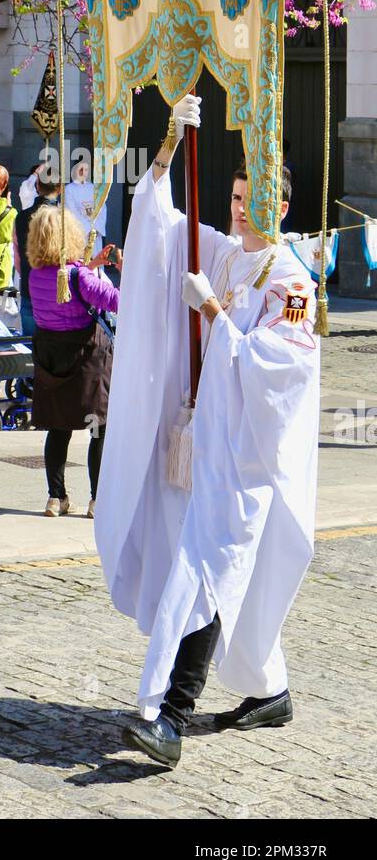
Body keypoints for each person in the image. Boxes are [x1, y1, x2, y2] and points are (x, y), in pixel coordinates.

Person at [95, 96, 320, 769]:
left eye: (252, 200)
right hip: (202, 443)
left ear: (280, 208)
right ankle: (270, 690)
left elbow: (287, 364)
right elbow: (161, 229)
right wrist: (169, 142)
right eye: (233, 195)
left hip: (248, 459)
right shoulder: (223, 253)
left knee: (211, 573)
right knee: (210, 575)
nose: (238, 208)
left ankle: (171, 716)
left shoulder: (294, 281)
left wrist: (218, 313)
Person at [28, 204, 121, 520]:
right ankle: (98, 500)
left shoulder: (36, 275)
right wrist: (119, 270)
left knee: (58, 428)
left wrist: (88, 266)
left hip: (51, 359)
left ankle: (56, 498)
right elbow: (119, 301)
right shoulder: (79, 277)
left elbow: (63, 282)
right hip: (86, 361)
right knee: (98, 430)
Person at [14, 171, 61, 336]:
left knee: (30, 343)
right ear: (60, 188)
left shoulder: (21, 217)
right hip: (54, 291)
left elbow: (18, 256)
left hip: (29, 285)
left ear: (37, 186)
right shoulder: (61, 219)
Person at [64, 160, 107, 257]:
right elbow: (71, 210)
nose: (84, 172)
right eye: (81, 169)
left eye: (86, 169)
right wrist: (88, 227)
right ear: (75, 170)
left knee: (96, 260)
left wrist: (96, 227)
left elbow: (102, 207)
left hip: (95, 233)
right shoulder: (69, 189)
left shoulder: (94, 188)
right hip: (80, 233)